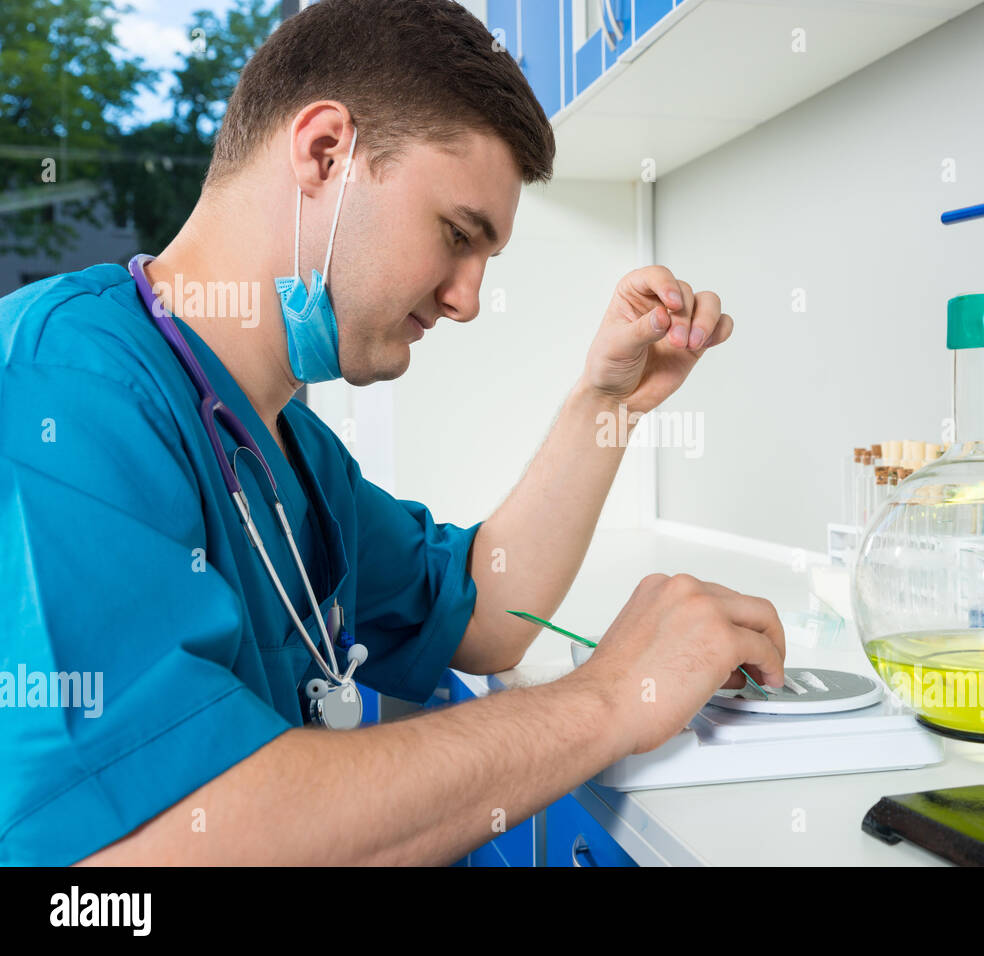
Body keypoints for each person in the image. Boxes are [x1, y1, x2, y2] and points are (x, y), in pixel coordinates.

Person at [0, 0, 784, 865]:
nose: (467, 298)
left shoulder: (291, 452)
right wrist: (607, 701)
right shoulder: (67, 384)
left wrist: (607, 404)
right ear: (325, 151)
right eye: (457, 235)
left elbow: (483, 611)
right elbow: (158, 844)